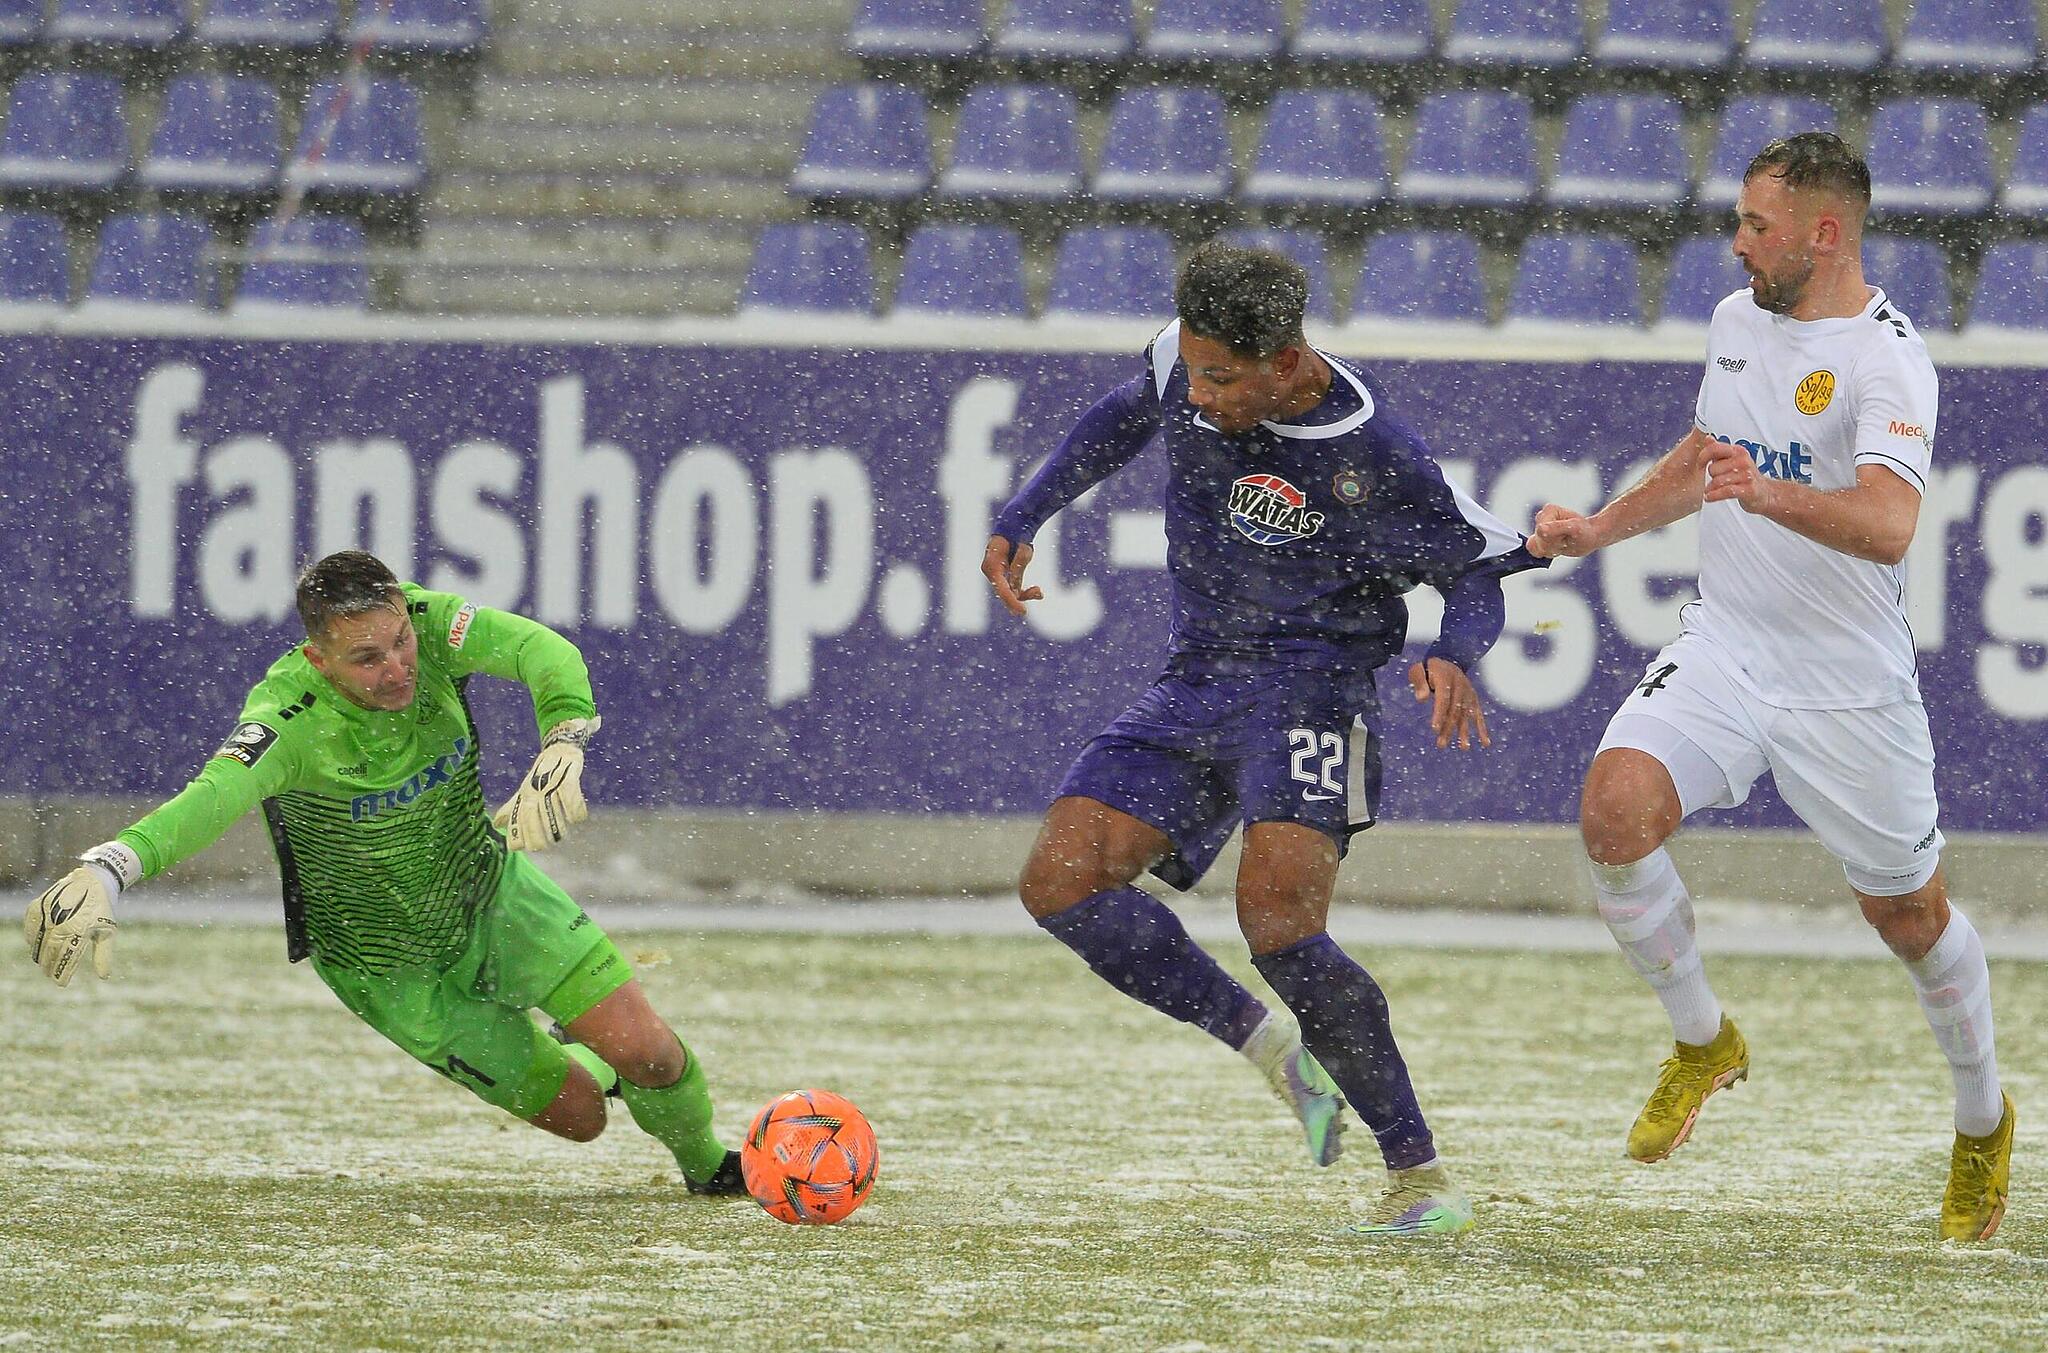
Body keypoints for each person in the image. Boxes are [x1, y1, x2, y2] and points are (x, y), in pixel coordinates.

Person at [983, 241, 1544, 1237]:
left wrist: (1456, 653)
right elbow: (1126, 412)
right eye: (1192, 369)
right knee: (1058, 880)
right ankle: (1270, 1051)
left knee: (1278, 926)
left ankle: (1417, 1174)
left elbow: (1477, 565)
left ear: (1285, 363)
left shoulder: (1374, 454)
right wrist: (1026, 510)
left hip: (1312, 690)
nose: (1198, 396)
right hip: (1197, 678)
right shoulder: (1182, 364)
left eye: (1222, 380)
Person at [1528, 133, 2012, 1243]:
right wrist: (1600, 528)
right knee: (1613, 810)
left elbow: (1889, 526)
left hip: (1844, 683)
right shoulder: (1736, 323)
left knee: (1903, 912)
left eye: (1755, 224)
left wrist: (1767, 494)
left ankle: (1981, 1119)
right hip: (1727, 648)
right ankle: (1703, 1041)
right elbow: (1709, 452)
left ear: (1822, 232)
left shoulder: (1887, 361)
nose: (1736, 241)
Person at [24, 550, 747, 1196]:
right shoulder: (288, 719)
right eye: (367, 658)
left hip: (491, 894)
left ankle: (710, 1165)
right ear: (319, 659)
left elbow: (541, 649)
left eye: (399, 640)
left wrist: (565, 738)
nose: (398, 666)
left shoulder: (432, 625)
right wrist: (109, 866)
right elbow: (210, 799)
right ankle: (588, 1057)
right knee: (584, 1117)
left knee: (651, 1052)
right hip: (387, 968)